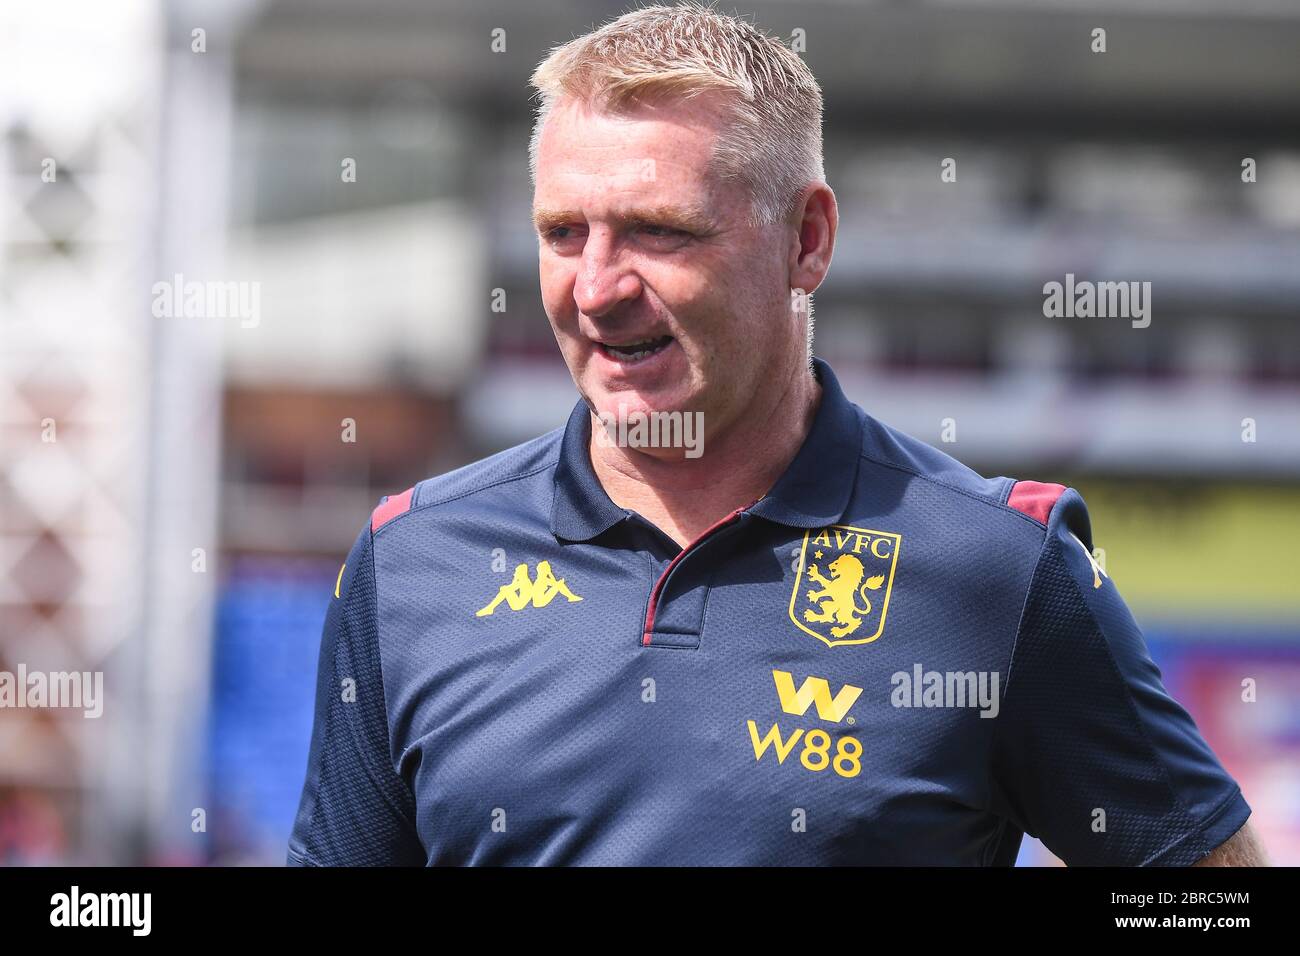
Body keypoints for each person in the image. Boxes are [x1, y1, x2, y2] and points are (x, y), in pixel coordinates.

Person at [287, 2, 1266, 866]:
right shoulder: (410, 561)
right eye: (561, 233)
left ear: (807, 240)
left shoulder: (1001, 570)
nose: (594, 287)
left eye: (659, 231)